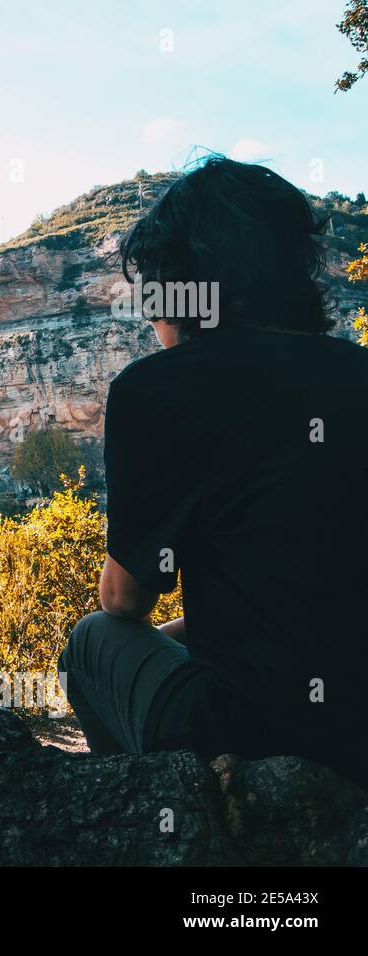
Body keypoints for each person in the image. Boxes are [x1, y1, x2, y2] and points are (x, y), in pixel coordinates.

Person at [57, 157, 368, 786]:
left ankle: (157, 815)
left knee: (90, 640)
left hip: (249, 730)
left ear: (180, 285)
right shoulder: (357, 371)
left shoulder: (158, 389)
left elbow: (126, 599)